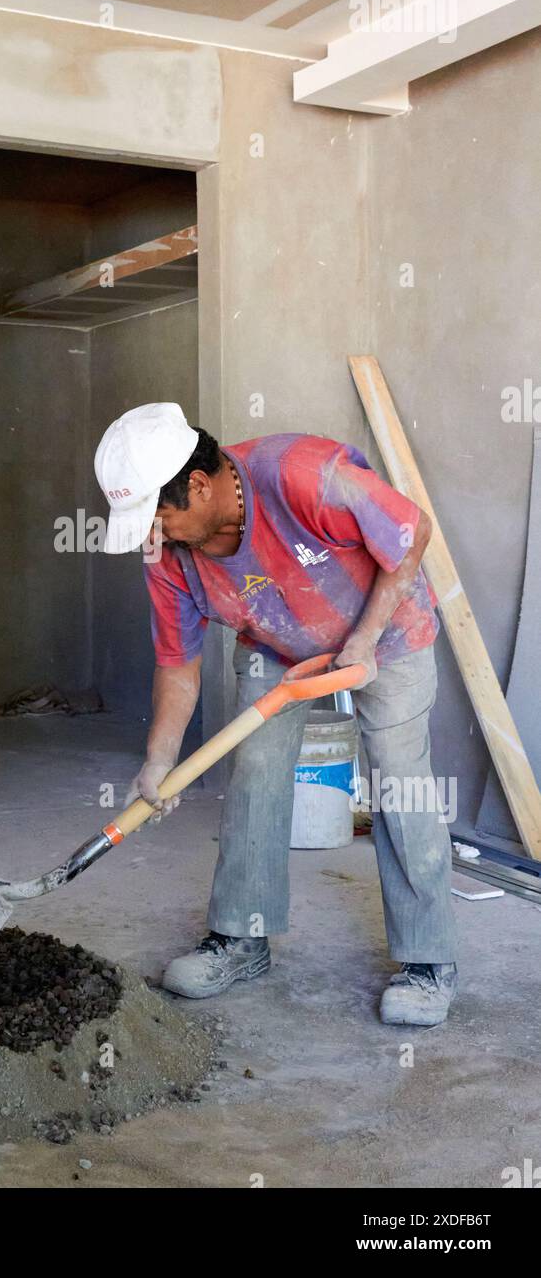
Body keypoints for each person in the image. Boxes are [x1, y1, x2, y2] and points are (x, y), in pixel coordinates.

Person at [94, 402, 457, 1026]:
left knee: (400, 780)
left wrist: (364, 640)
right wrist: (159, 761)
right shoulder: (168, 554)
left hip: (386, 631)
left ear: (200, 486)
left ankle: (428, 961)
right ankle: (241, 938)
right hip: (276, 641)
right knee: (256, 771)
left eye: (159, 512)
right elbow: (178, 664)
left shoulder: (302, 473)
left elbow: (411, 532)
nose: (153, 531)